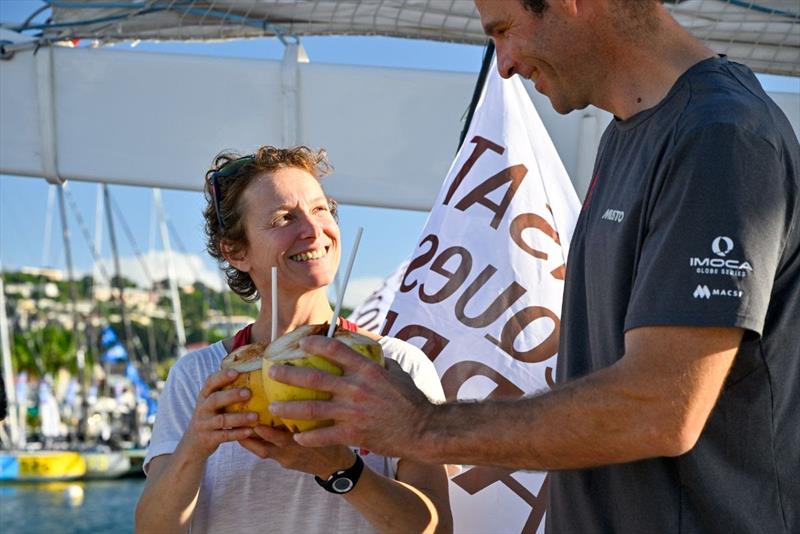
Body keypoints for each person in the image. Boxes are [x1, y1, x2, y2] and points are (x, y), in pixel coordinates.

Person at [265, 1, 800, 532]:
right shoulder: (631, 131)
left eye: (503, 30)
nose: (503, 64)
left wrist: (420, 426)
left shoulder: (721, 135)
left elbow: (660, 407)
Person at [135, 146, 452, 534]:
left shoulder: (395, 365)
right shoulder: (200, 377)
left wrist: (339, 468)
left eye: (320, 210)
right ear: (235, 251)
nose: (314, 230)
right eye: (285, 218)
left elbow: (437, 528)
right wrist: (196, 445)